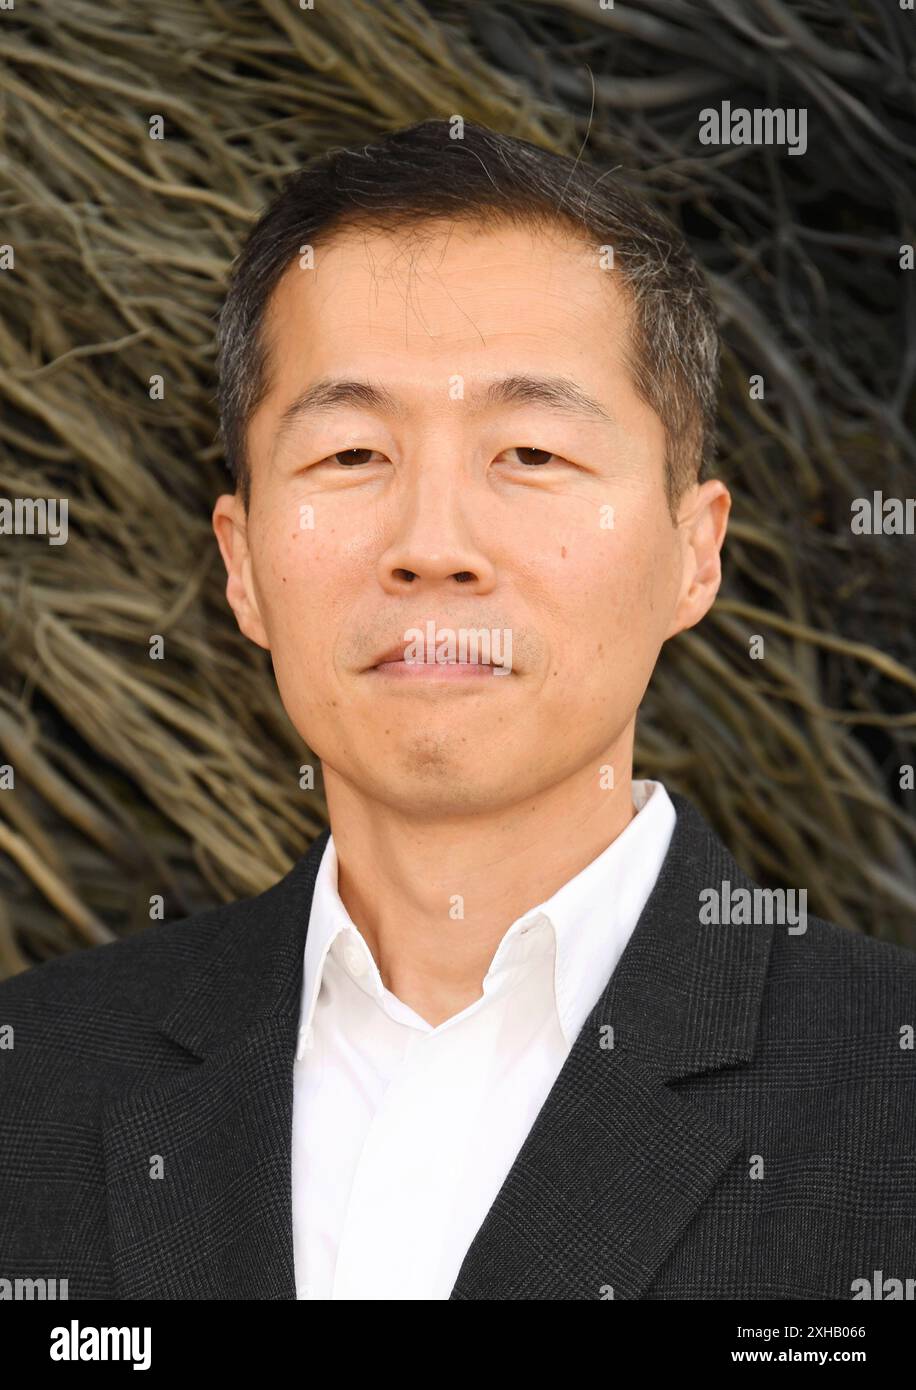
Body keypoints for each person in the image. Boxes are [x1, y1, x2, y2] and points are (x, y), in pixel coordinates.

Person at [1, 120, 914, 1301]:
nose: (433, 546)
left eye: (530, 452)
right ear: (240, 562)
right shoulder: (33, 1085)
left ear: (694, 553)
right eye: (349, 455)